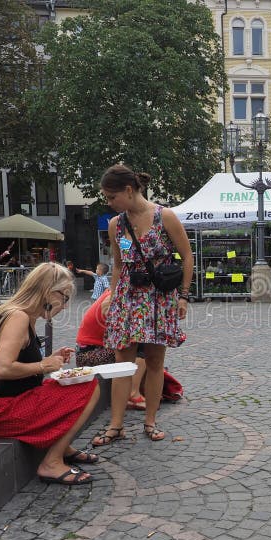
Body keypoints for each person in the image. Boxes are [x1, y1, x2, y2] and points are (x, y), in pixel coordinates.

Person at [92, 164, 193, 445]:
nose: (109, 203)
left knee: (155, 361)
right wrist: (111, 297)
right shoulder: (116, 225)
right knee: (122, 362)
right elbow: (117, 264)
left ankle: (150, 421)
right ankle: (116, 425)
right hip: (127, 296)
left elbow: (187, 257)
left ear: (128, 190)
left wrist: (184, 295)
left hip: (159, 297)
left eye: (112, 197)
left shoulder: (165, 216)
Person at [0, 262, 101, 485]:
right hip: (0, 411)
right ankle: (51, 463)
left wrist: (48, 361)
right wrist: (44, 366)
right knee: (89, 387)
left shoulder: (25, 316)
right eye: (65, 298)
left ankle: (63, 447)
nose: (64, 305)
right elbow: (2, 369)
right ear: (49, 292)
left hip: (7, 403)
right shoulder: (18, 317)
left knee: (73, 383)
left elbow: (18, 363)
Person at [76, 289, 148, 410]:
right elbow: (125, 337)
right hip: (90, 354)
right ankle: (132, 394)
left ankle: (141, 390)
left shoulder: (115, 292)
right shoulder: (118, 299)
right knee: (142, 346)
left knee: (144, 344)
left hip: (94, 350)